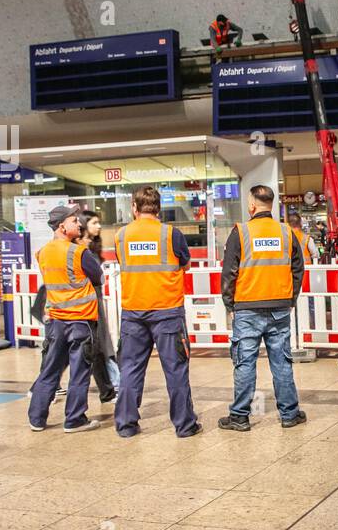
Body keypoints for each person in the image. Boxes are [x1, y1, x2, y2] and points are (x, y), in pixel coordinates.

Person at [113, 187, 200, 438]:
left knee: (130, 369)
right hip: (168, 312)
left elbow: (123, 263)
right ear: (159, 208)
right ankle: (184, 426)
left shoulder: (121, 235)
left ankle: (126, 425)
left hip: (133, 312)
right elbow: (185, 263)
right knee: (176, 369)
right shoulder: (171, 234)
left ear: (134, 208)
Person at [218, 185, 305, 430]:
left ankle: (239, 417)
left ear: (252, 205)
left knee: (245, 362)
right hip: (279, 307)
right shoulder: (286, 233)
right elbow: (298, 269)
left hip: (247, 307)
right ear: (271, 204)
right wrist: (291, 299)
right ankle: (289, 414)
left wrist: (229, 304)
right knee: (281, 361)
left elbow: (229, 274)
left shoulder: (241, 232)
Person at [27, 205, 102, 433]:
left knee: (50, 369)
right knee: (79, 371)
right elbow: (98, 276)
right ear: (62, 226)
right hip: (80, 321)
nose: (79, 224)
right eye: (74, 221)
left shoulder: (42, 252)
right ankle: (74, 419)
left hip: (56, 322)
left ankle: (36, 418)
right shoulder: (79, 252)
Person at [79, 210, 117, 402]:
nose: (99, 226)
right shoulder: (79, 249)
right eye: (94, 222)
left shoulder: (91, 248)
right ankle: (110, 388)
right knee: (95, 346)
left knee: (99, 345)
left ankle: (108, 389)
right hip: (85, 303)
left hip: (95, 300)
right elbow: (97, 277)